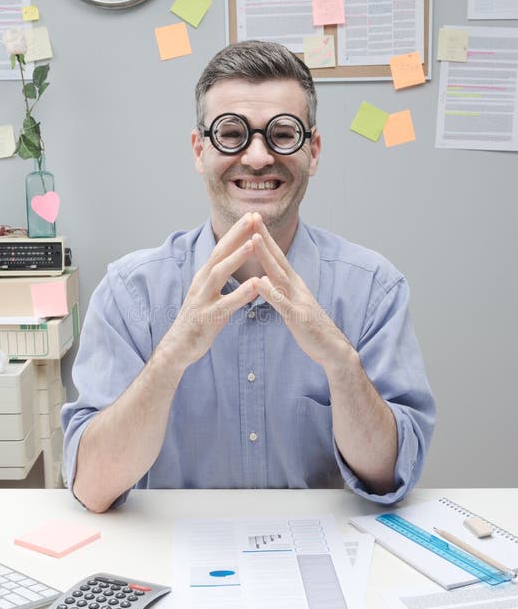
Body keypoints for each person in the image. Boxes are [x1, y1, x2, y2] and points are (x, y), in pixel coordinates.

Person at [61, 40, 435, 513]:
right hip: (171, 557)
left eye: (282, 134)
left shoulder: (373, 290)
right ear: (199, 152)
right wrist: (173, 354)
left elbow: (389, 475)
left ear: (313, 151)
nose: (257, 158)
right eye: (231, 133)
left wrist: (340, 363)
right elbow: (92, 486)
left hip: (327, 559)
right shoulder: (130, 293)